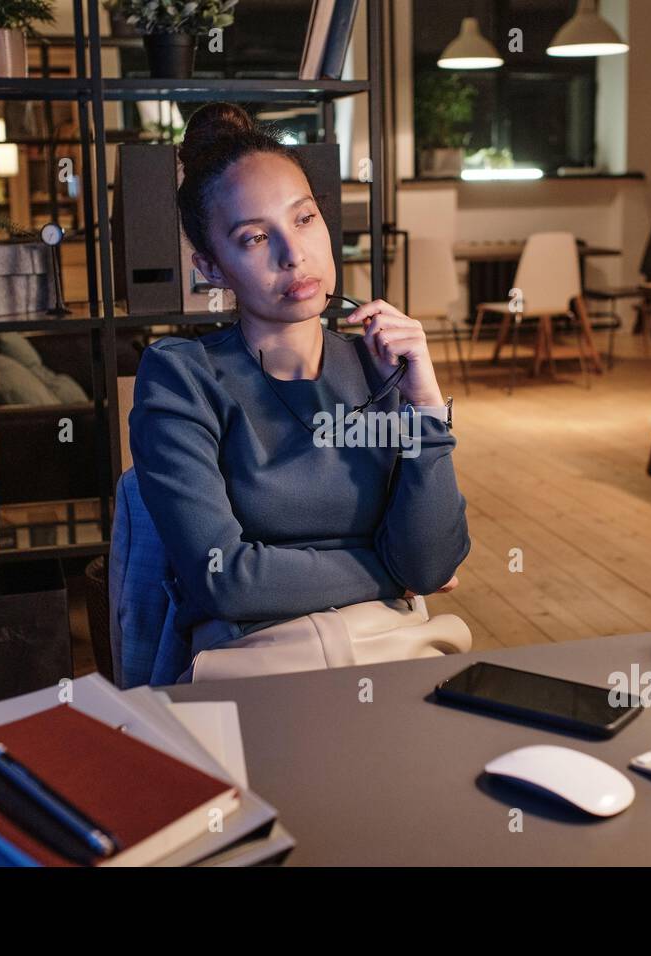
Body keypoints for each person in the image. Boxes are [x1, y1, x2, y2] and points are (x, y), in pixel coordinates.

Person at [129, 102, 470, 671]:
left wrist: (426, 405)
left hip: (391, 655)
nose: (295, 255)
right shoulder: (181, 376)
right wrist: (392, 573)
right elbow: (225, 578)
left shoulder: (378, 364)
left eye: (305, 219)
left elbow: (430, 558)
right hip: (259, 665)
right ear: (211, 268)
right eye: (255, 238)